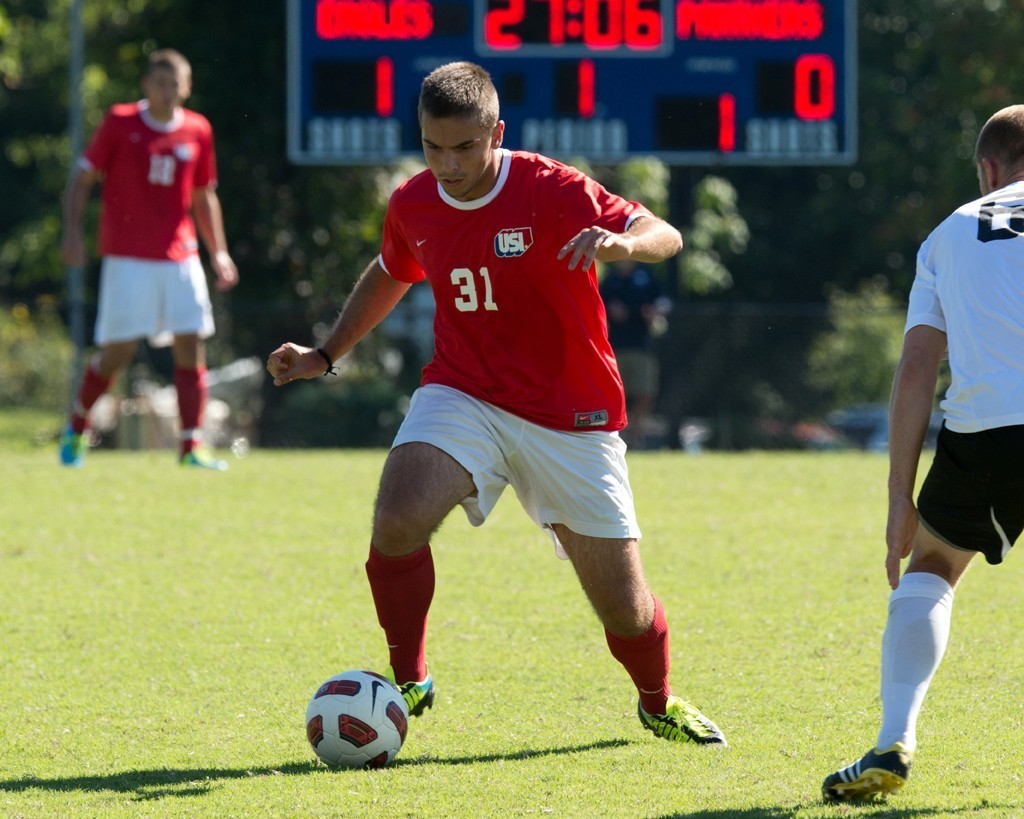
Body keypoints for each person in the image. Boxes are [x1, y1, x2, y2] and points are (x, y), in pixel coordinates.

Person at [267, 61, 726, 745]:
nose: (447, 164)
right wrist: (326, 353)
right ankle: (410, 677)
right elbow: (394, 271)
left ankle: (657, 700)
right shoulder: (414, 203)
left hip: (571, 415)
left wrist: (625, 242)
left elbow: (666, 232)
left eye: (463, 147)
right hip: (464, 391)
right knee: (396, 518)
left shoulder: (552, 188)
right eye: (433, 146)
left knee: (626, 610)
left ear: (496, 133)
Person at [822, 104, 1024, 801]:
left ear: (988, 170)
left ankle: (893, 741)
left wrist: (898, 499)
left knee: (931, 567)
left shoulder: (950, 233)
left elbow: (916, 370)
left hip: (989, 434)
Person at [60, 48, 239, 469]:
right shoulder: (120, 122)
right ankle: (76, 427)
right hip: (128, 259)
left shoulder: (197, 129)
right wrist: (72, 233)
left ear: (186, 87)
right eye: (159, 83)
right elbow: (82, 179)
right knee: (117, 354)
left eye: (174, 84)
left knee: (191, 340)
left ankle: (191, 447)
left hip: (181, 255)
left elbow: (202, 195)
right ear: (146, 85)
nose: (166, 91)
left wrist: (220, 253)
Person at [599, 258, 671, 448]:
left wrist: (654, 311)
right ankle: (617, 435)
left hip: (642, 346)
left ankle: (636, 433)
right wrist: (610, 310)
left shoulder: (647, 275)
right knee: (614, 394)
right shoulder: (610, 278)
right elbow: (596, 304)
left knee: (646, 392)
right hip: (614, 348)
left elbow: (665, 302)